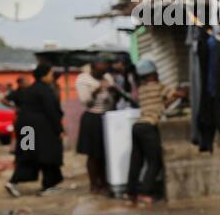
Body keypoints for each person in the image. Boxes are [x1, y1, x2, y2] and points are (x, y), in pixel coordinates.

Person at [127, 58, 180, 205]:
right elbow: (176, 94)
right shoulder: (158, 86)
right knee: (154, 161)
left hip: (137, 126)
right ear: (152, 74)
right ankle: (145, 192)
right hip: (149, 127)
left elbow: (159, 105)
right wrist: (185, 92)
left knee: (136, 161)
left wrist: (165, 104)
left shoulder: (142, 89)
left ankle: (131, 192)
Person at [6, 63, 64, 197]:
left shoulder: (29, 90)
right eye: (50, 74)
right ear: (44, 76)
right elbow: (52, 111)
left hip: (25, 127)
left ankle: (13, 182)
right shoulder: (45, 90)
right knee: (48, 154)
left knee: (28, 154)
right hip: (41, 128)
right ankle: (48, 185)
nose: (51, 77)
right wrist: (59, 129)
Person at [75, 57, 116, 195]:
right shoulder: (83, 79)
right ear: (93, 67)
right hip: (92, 118)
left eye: (105, 68)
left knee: (105, 153)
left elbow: (112, 100)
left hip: (107, 117)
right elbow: (87, 102)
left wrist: (112, 91)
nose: (103, 72)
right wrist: (97, 90)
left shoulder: (108, 77)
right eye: (100, 69)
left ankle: (104, 182)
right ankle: (94, 184)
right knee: (93, 154)